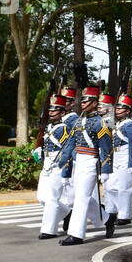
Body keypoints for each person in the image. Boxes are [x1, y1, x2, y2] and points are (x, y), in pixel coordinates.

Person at [58, 86, 112, 246]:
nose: (82, 103)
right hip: (78, 161)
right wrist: (62, 163)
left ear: (95, 103)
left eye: (86, 100)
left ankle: (76, 235)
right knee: (82, 197)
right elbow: (69, 144)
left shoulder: (101, 123)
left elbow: (106, 148)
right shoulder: (78, 121)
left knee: (81, 199)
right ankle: (108, 219)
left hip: (91, 161)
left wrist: (105, 169)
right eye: (82, 100)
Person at [33, 95, 72, 239]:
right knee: (42, 197)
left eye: (55, 110)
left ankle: (49, 230)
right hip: (47, 164)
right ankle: (67, 212)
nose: (51, 112)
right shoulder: (48, 127)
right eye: (50, 109)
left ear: (62, 113)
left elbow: (68, 149)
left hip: (57, 165)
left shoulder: (64, 129)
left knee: (51, 198)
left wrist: (64, 166)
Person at [103, 93, 132, 230]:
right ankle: (112, 211)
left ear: (128, 111)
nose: (117, 110)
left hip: (125, 156)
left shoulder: (130, 125)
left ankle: (124, 216)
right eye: (117, 108)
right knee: (110, 186)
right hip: (116, 156)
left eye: (121, 108)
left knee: (124, 188)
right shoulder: (117, 124)